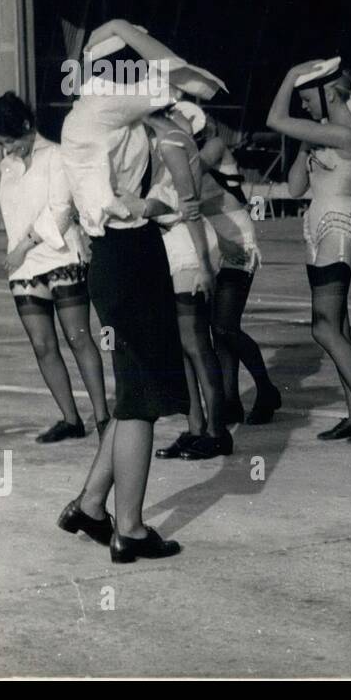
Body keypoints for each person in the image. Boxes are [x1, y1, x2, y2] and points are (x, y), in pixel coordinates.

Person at [55, 18, 224, 562]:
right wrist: (130, 29)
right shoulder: (103, 105)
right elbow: (197, 81)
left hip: (130, 253)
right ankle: (128, 528)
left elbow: (186, 103)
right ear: (113, 71)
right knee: (141, 400)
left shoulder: (105, 113)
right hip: (125, 254)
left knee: (138, 390)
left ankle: (91, 505)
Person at [0, 92, 108, 442]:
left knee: (78, 338)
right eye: (1, 144)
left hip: (58, 256)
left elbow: (61, 209)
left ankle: (103, 419)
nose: (8, 149)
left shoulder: (56, 155)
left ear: (27, 126)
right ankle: (71, 420)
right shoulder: (6, 167)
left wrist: (23, 247)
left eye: (11, 140)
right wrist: (19, 254)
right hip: (24, 267)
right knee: (43, 346)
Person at [267, 59, 351, 443]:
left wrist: (288, 74)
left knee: (323, 326)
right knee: (338, 324)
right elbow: (296, 187)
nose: (304, 107)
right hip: (317, 224)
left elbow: (275, 119)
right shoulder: (324, 134)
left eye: (307, 98)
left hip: (338, 223)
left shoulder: (346, 134)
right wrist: (306, 138)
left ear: (328, 92)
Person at [145, 104, 231, 462]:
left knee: (196, 342)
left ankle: (217, 431)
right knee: (182, 344)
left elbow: (190, 207)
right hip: (172, 242)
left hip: (186, 245)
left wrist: (205, 265)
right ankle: (196, 426)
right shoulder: (161, 139)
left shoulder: (170, 142)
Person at [189, 102, 282, 426]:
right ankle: (230, 402)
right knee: (220, 330)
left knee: (225, 326)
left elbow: (191, 173)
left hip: (237, 241)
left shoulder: (212, 146)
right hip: (215, 245)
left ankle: (267, 389)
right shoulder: (187, 152)